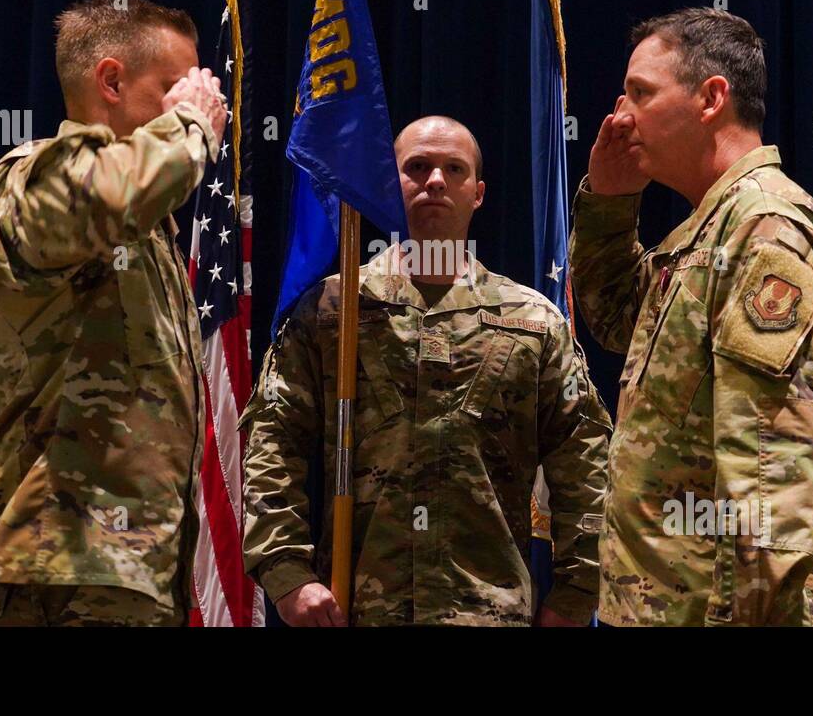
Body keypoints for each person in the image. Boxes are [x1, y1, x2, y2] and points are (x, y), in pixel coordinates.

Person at [242, 116, 612, 626]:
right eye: (417, 167)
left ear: (477, 193)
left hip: (488, 612)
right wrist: (286, 574)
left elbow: (585, 461)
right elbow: (273, 442)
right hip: (358, 610)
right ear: (388, 183)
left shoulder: (532, 323)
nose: (435, 180)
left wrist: (575, 595)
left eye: (453, 169)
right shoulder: (333, 312)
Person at [569, 8, 813, 626]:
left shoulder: (767, 229)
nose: (620, 117)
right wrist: (610, 205)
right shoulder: (706, 231)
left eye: (640, 94)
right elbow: (614, 315)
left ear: (711, 97)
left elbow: (770, 474)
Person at [0, 0, 228, 626]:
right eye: (172, 87)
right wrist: (188, 126)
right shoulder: (28, 180)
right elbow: (115, 193)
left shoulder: (150, 234)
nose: (197, 103)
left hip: (129, 575)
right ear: (110, 80)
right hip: (52, 567)